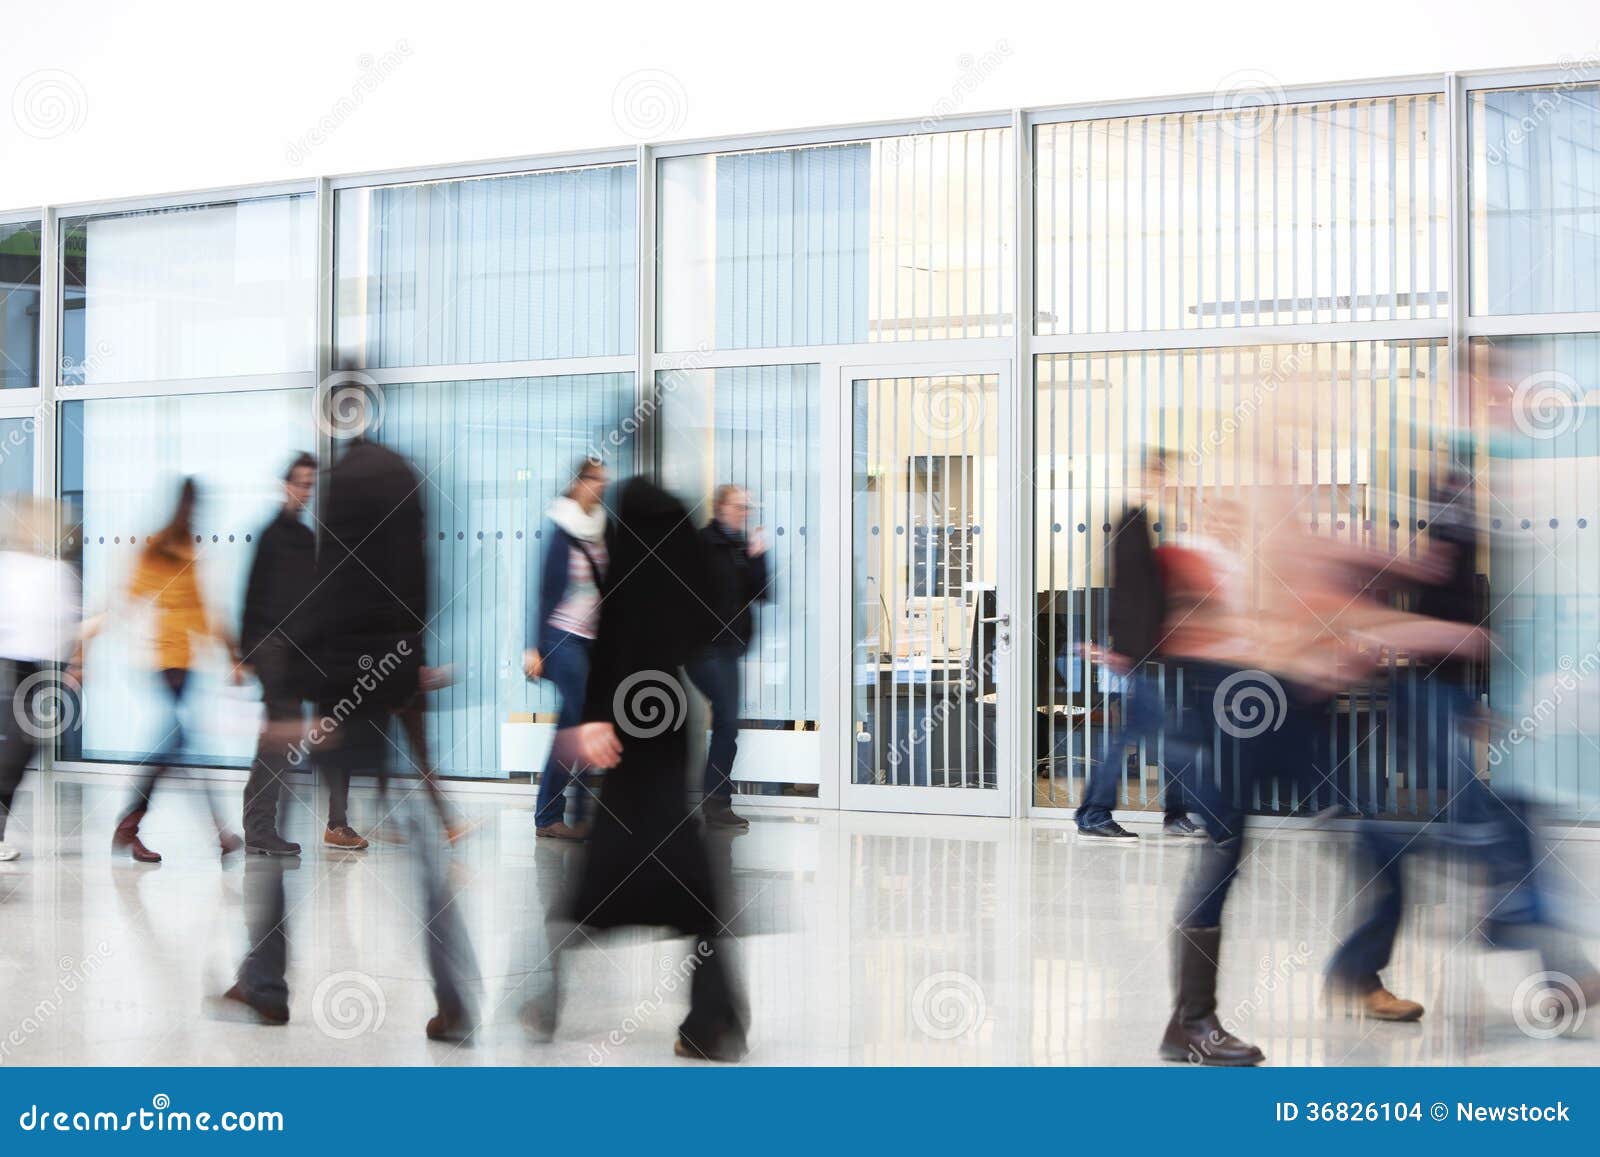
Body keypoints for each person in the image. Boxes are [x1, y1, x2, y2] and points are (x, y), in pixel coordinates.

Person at [561, 476, 749, 1061]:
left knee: (610, 856)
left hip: (626, 721)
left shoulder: (626, 562)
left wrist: (593, 716)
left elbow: (610, 641)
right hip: (667, 716)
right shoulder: (682, 559)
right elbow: (710, 619)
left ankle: (549, 984)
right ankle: (714, 1018)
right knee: (679, 856)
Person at [98, 477, 244, 863]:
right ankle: (215, 831)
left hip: (185, 662)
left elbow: (204, 613)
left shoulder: (188, 551)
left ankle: (131, 826)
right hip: (160, 661)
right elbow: (129, 597)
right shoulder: (158, 548)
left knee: (176, 746)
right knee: (182, 743)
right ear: (186, 506)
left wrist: (232, 654)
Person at [308, 437, 427, 851]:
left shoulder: (354, 539)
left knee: (369, 732)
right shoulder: (351, 543)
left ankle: (367, 815)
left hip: (367, 655)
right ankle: (340, 821)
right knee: (348, 734)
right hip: (353, 657)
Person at [1076, 452, 1199, 842]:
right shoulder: (1131, 521)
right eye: (1158, 474)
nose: (1162, 482)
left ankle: (1101, 813)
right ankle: (1100, 813)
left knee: (1142, 734)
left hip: (1148, 652)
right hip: (1139, 654)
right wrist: (1123, 650)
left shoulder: (1141, 520)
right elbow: (1129, 593)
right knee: (1159, 736)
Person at [524, 457, 609, 841]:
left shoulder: (602, 528)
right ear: (577, 482)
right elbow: (545, 593)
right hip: (563, 637)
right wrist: (533, 647)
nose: (601, 485)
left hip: (592, 641)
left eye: (603, 479)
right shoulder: (562, 528)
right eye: (594, 478)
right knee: (584, 721)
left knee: (572, 726)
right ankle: (576, 814)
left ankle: (551, 815)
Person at [237, 452, 316, 857]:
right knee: (281, 736)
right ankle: (260, 827)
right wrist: (244, 655)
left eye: (310, 485)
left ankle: (260, 826)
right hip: (272, 650)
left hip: (296, 656)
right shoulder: (271, 536)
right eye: (301, 483)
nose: (306, 491)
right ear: (286, 485)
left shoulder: (306, 538)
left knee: (279, 739)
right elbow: (252, 595)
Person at [0, 496, 81, 862]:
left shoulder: (49, 570)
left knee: (18, 751)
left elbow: (63, 625)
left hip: (33, 670)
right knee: (15, 753)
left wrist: (72, 663)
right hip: (18, 668)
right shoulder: (38, 570)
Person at [685, 484, 770, 831]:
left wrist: (758, 556)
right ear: (721, 508)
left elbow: (760, 593)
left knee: (726, 724)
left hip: (729, 648)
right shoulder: (703, 545)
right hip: (703, 649)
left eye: (747, 507)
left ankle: (716, 802)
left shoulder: (739, 547)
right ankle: (716, 802)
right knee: (727, 720)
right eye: (738, 506)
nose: (744, 513)